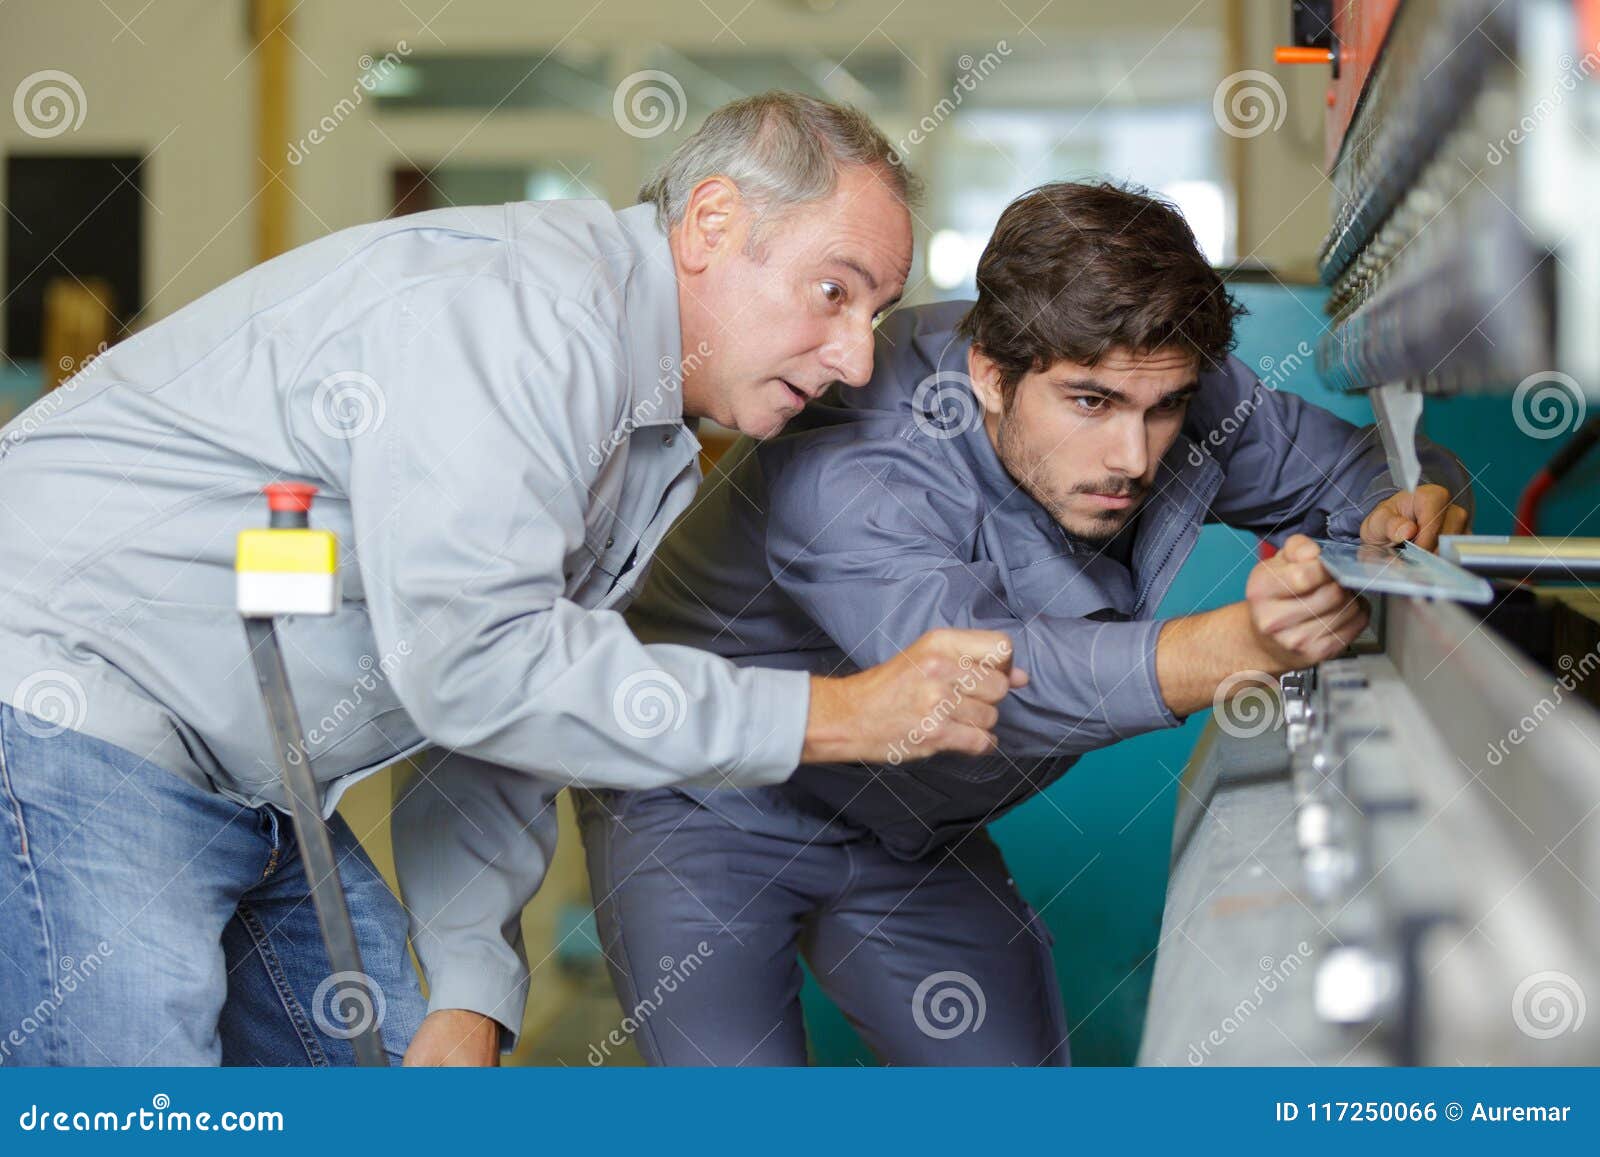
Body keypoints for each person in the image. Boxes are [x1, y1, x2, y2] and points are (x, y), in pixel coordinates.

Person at [0, 92, 1022, 1068]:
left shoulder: (647, 438)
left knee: (394, 1074)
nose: (855, 360)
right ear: (712, 223)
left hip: (251, 785)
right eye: (834, 292)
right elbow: (477, 663)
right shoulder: (520, 316)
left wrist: (469, 986)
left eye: (876, 313)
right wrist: (839, 714)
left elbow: (504, 715)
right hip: (69, 707)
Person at [564, 181, 1473, 1065]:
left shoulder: (1160, 374)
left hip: (910, 823)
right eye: (1090, 403)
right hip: (706, 806)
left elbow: (1361, 474)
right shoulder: (852, 463)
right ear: (991, 376)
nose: (1132, 456)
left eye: (1163, 409)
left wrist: (1410, 505)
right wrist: (1237, 647)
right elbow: (971, 683)